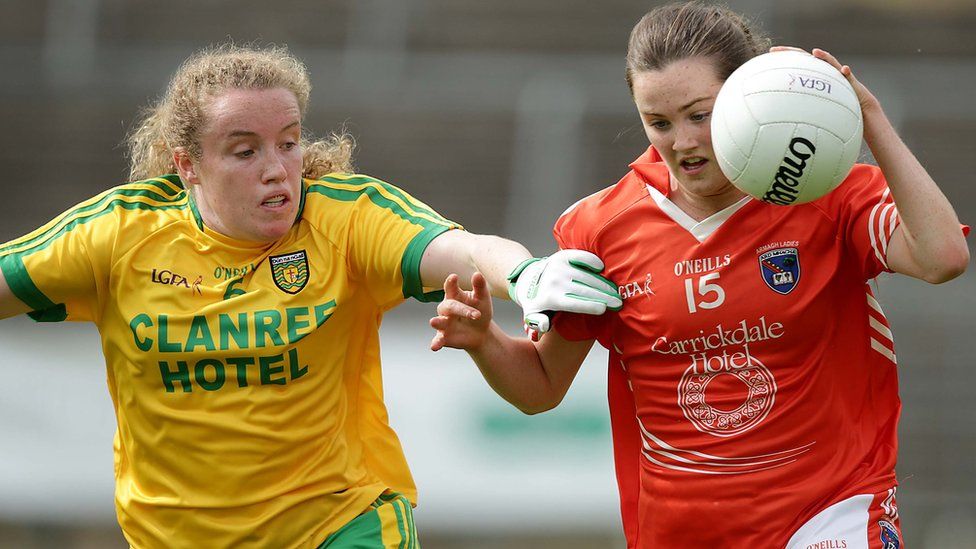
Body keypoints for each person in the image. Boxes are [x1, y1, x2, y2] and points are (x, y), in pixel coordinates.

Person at [0, 44, 622, 548]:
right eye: (245, 151)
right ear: (187, 165)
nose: (277, 168)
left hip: (341, 524)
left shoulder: (344, 218)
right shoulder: (120, 235)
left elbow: (463, 248)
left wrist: (526, 276)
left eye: (290, 142)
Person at [429, 2, 969, 548]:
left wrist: (868, 120)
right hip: (681, 529)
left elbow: (943, 257)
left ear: (746, 96)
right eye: (658, 122)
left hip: (832, 510)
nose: (681, 142)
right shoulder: (600, 229)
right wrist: (483, 342)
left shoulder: (826, 193)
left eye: (699, 115)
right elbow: (541, 387)